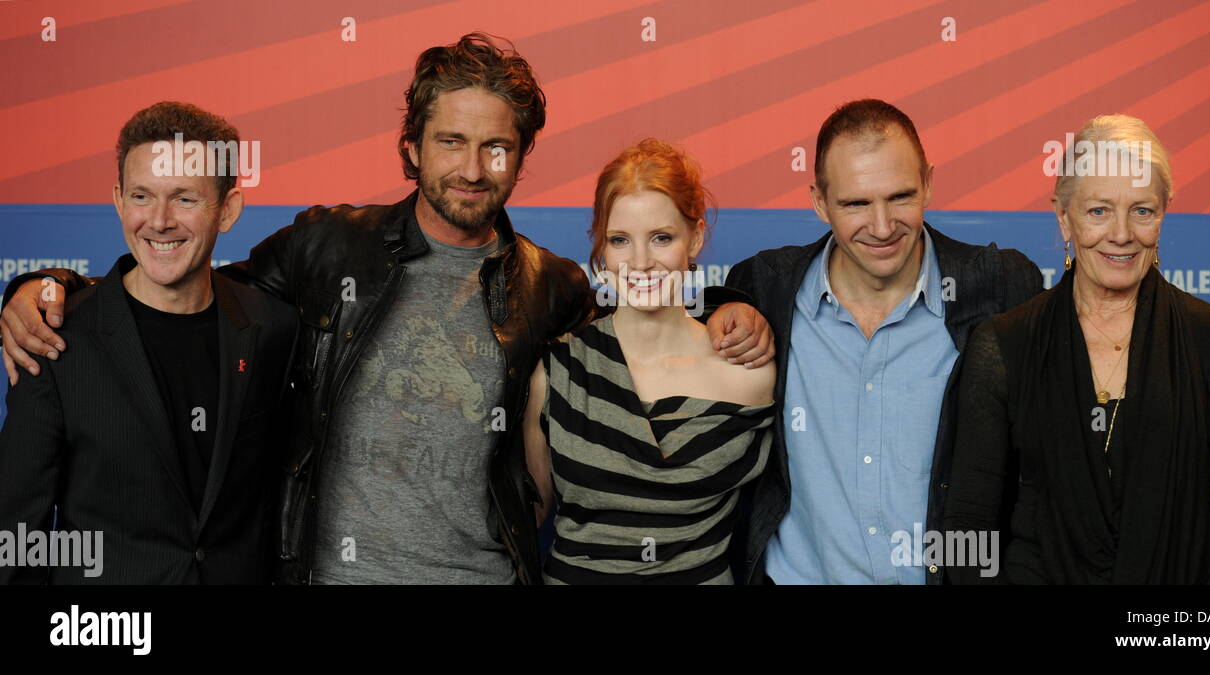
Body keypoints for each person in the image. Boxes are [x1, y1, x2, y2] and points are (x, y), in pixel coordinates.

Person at [0, 34, 773, 585]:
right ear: (411, 148)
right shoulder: (329, 246)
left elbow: (642, 316)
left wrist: (731, 302)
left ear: (520, 156)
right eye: (451, 141)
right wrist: (52, 287)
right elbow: (183, 281)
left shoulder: (551, 286)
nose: (473, 168)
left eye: (496, 148)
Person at [723, 99, 1210, 585]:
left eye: (1142, 210)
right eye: (854, 204)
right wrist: (720, 306)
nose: (882, 224)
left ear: (928, 184)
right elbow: (692, 319)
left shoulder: (997, 287)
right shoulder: (768, 287)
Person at [942, 115, 1210, 584]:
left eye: (1141, 210)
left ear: (1163, 213)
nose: (1121, 234)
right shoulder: (1003, 343)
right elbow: (965, 531)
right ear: (1064, 216)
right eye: (1099, 211)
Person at [0, 102, 297, 584]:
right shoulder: (53, 335)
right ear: (119, 200)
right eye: (142, 196)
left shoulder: (274, 328)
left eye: (185, 199)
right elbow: (16, 533)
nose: (159, 221)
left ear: (227, 210)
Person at [523, 139, 775, 584]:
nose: (640, 262)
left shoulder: (750, 368)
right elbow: (524, 519)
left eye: (662, 238)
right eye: (620, 240)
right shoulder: (559, 368)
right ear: (601, 247)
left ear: (695, 238)